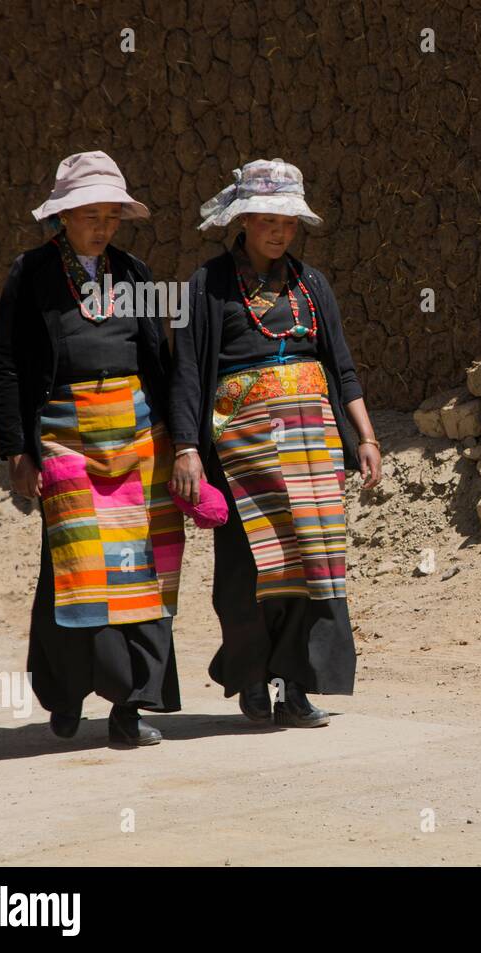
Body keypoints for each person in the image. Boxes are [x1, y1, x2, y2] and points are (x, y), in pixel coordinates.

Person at [169, 158, 381, 728]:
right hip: (241, 455)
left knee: (308, 568)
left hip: (312, 450)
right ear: (244, 220)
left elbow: (342, 367)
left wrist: (363, 436)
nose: (280, 231)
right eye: (268, 218)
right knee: (248, 570)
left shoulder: (312, 285)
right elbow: (188, 371)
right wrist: (186, 448)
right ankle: (252, 681)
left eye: (288, 221)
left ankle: (294, 688)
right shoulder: (207, 286)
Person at [0, 150, 184, 747]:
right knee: (76, 567)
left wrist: (182, 442)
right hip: (65, 434)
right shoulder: (31, 274)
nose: (102, 226)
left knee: (141, 568)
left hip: (137, 433)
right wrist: (17, 449)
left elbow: (161, 358)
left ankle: (130, 709)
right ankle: (69, 688)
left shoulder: (135, 274)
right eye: (89, 214)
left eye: (111, 215)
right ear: (64, 216)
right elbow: (6, 366)